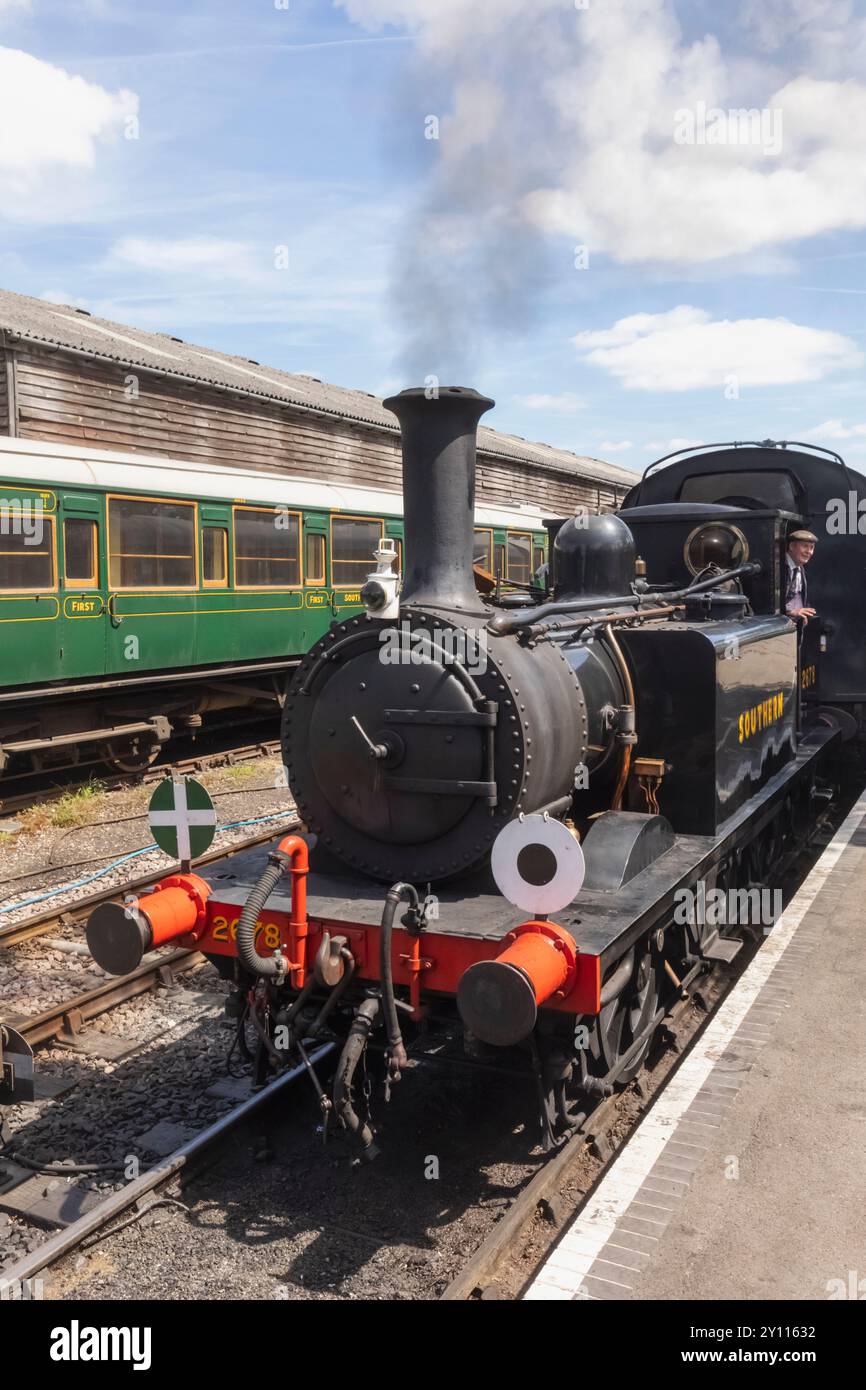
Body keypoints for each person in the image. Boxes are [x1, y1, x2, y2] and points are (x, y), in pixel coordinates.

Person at [785, 529, 817, 622]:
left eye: (811, 548)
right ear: (791, 546)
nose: (809, 552)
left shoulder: (800, 567)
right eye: (805, 546)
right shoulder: (781, 567)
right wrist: (790, 611)